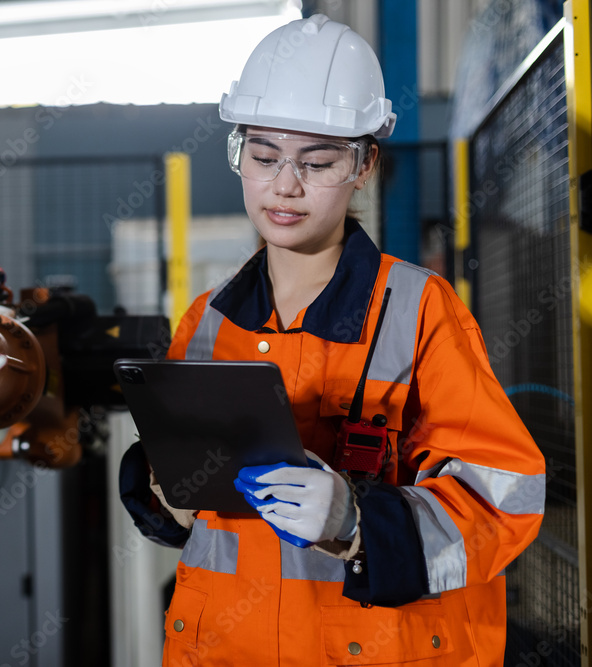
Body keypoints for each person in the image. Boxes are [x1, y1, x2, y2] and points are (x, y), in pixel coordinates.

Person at [118, 14, 545, 666]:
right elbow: (196, 514)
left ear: (364, 164)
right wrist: (166, 493)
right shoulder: (207, 320)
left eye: (317, 162)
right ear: (238, 153)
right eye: (263, 157)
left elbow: (503, 499)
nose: (285, 185)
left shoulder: (421, 312)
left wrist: (357, 523)